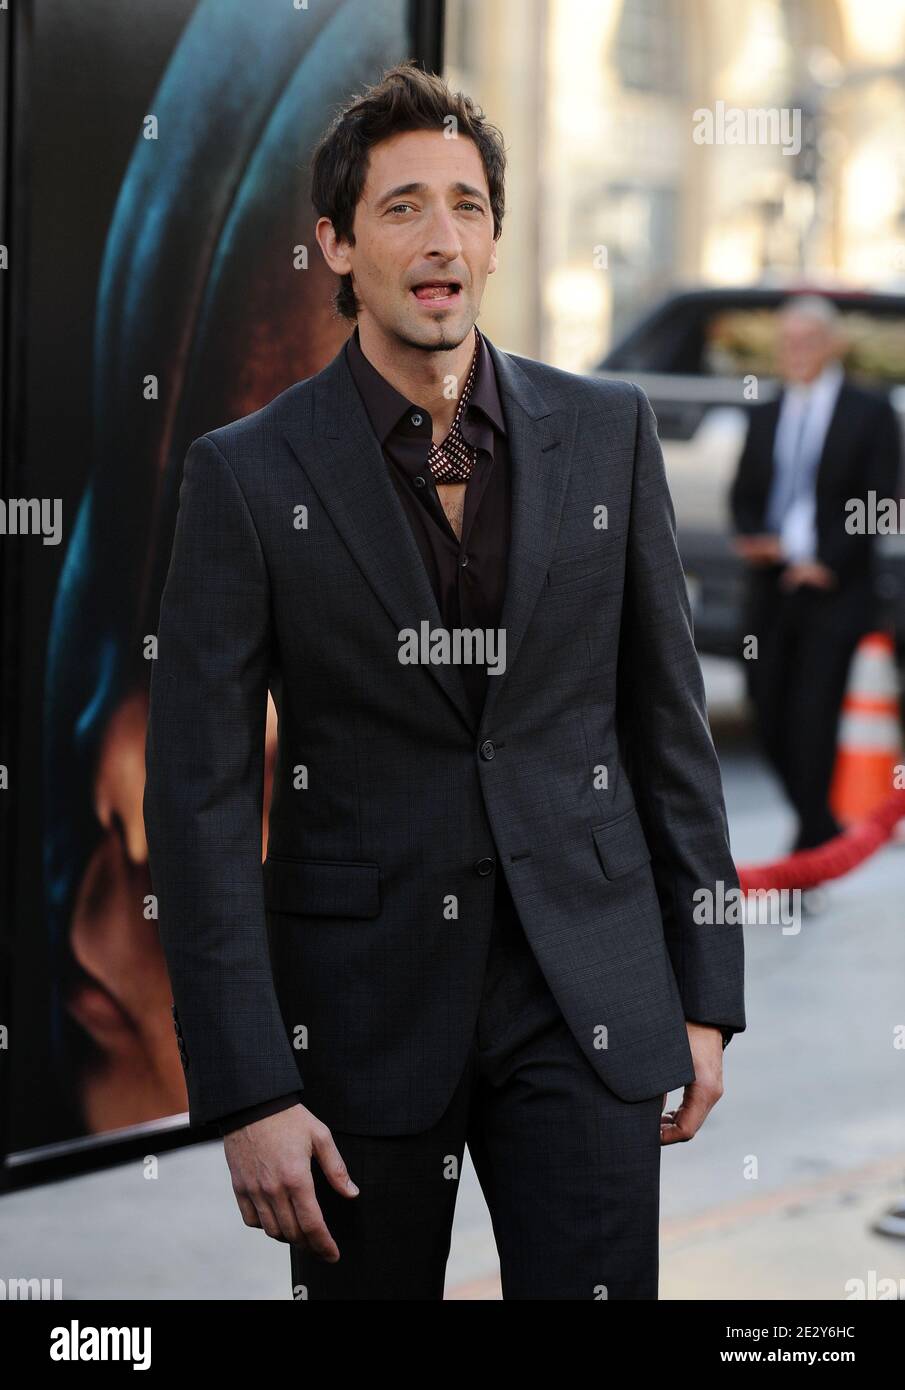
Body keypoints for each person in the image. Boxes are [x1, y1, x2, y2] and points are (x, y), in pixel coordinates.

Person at [143, 62, 745, 1301]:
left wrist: (707, 994)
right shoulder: (246, 476)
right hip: (358, 1018)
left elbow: (667, 732)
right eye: (403, 205)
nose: (441, 236)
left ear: (494, 239)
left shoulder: (608, 430)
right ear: (337, 245)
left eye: (466, 205)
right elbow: (197, 799)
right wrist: (250, 1086)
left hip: (583, 995)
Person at [730, 295, 902, 852]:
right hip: (772, 585)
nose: (793, 352)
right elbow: (745, 494)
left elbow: (879, 501)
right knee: (766, 706)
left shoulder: (869, 412)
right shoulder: (765, 411)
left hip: (835, 588)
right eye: (786, 341)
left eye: (806, 340)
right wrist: (758, 538)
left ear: (832, 345)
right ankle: (820, 826)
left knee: (812, 716)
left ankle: (809, 847)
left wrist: (825, 561)